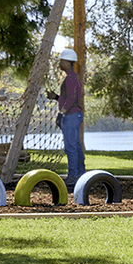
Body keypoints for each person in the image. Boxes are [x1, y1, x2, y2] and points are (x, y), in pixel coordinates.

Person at [46, 48, 84, 186]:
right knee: (76, 146)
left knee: (71, 147)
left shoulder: (71, 78)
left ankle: (73, 176)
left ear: (67, 62)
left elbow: (72, 98)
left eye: (61, 60)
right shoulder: (72, 78)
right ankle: (80, 174)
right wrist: (56, 97)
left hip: (71, 116)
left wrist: (61, 113)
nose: (60, 63)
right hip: (74, 114)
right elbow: (69, 97)